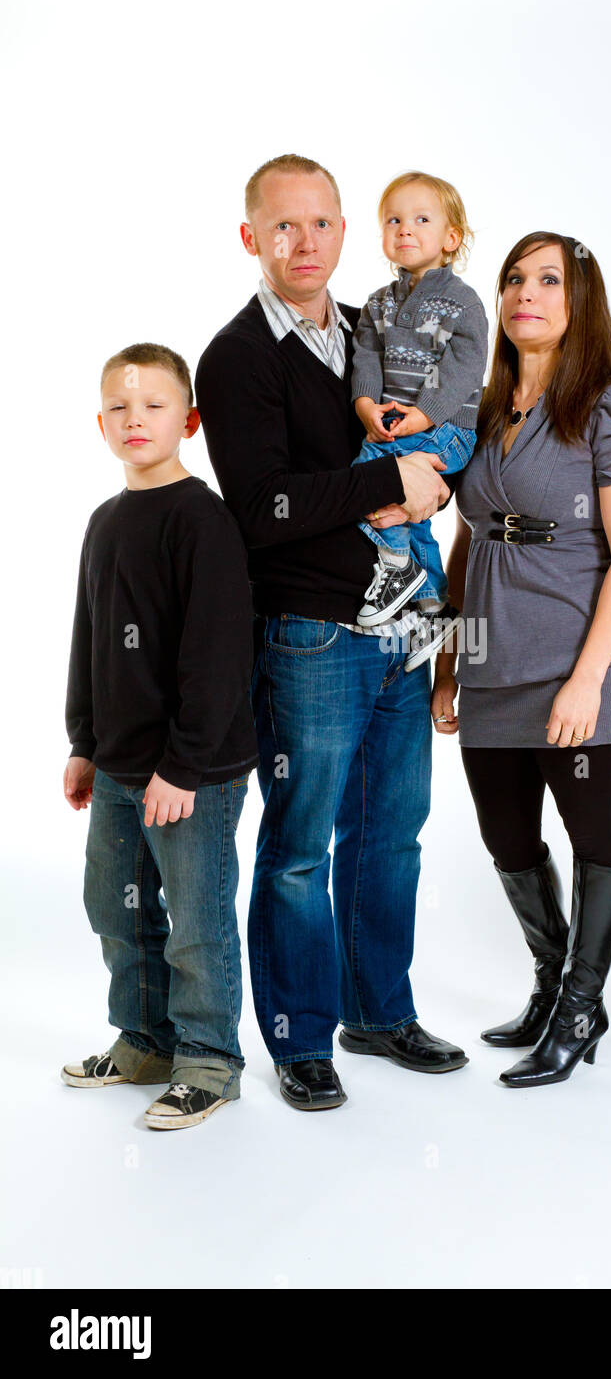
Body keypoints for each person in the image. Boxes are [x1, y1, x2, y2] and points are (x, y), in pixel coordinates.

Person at [195, 154, 468, 1114]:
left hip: (405, 626)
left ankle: (378, 1012)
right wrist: (389, 485)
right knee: (302, 843)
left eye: (321, 224)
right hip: (312, 637)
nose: (304, 243)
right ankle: (301, 1038)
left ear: (346, 231)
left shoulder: (370, 330)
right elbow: (266, 508)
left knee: (392, 835)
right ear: (252, 239)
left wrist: (427, 474)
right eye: (284, 227)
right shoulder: (236, 358)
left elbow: (435, 433)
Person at [432, 232, 611, 1088]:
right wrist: (447, 660)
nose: (527, 292)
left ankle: (579, 1011)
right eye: (515, 278)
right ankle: (551, 983)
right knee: (506, 837)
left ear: (580, 299)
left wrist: (591, 676)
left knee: (592, 835)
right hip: (491, 661)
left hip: (575, 660)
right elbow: (468, 539)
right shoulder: (487, 410)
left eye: (549, 279)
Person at [62, 344, 259, 1131]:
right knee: (114, 903)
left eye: (153, 405)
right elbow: (90, 638)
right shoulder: (105, 522)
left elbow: (216, 656)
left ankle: (209, 1059)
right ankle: (144, 1038)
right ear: (101, 425)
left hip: (192, 773)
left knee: (196, 918)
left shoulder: (201, 520)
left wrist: (183, 765)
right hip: (117, 764)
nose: (135, 419)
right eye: (120, 407)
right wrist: (83, 739)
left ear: (190, 419)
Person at [350, 170, 487, 671]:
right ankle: (431, 605)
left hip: (446, 430)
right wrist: (367, 407)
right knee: (396, 493)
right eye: (394, 220)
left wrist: (422, 416)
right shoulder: (377, 304)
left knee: (372, 479)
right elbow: (364, 358)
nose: (405, 229)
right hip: (391, 424)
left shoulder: (463, 302)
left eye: (421, 220)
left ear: (451, 239)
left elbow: (464, 368)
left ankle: (395, 566)